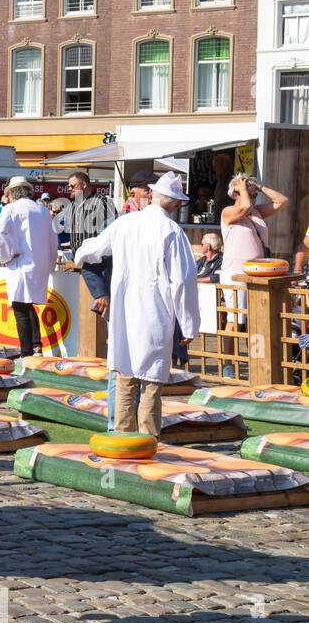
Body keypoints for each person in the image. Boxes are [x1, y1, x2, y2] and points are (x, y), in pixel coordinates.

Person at [74, 173, 200, 435]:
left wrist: (78, 255)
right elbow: (183, 281)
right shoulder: (172, 231)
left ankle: (122, 435)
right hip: (155, 312)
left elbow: (93, 249)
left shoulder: (126, 223)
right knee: (151, 380)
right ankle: (147, 438)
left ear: (153, 195)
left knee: (125, 375)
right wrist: (189, 325)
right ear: (176, 204)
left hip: (125, 311)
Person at [218, 175, 289, 378]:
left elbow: (281, 201)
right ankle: (228, 363)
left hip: (256, 273)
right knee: (234, 319)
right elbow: (243, 208)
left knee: (254, 320)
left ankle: (255, 361)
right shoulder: (228, 211)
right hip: (235, 274)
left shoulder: (255, 211)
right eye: (251, 194)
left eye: (255, 195)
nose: (254, 198)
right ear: (237, 194)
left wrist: (260, 186)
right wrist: (240, 187)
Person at [0, 176, 59, 358]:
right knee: (28, 305)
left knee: (20, 308)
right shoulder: (42, 210)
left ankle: (27, 352)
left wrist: (7, 254)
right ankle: (36, 345)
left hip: (20, 263)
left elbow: (0, 234)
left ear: (12, 193)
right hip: (38, 264)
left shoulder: (11, 209)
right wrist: (51, 262)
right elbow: (53, 239)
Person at [58, 172, 119, 322]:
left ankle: (113, 340)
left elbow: (114, 231)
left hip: (101, 262)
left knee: (108, 308)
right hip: (81, 262)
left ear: (83, 185)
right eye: (68, 186)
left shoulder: (102, 202)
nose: (69, 189)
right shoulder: (71, 207)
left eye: (72, 186)